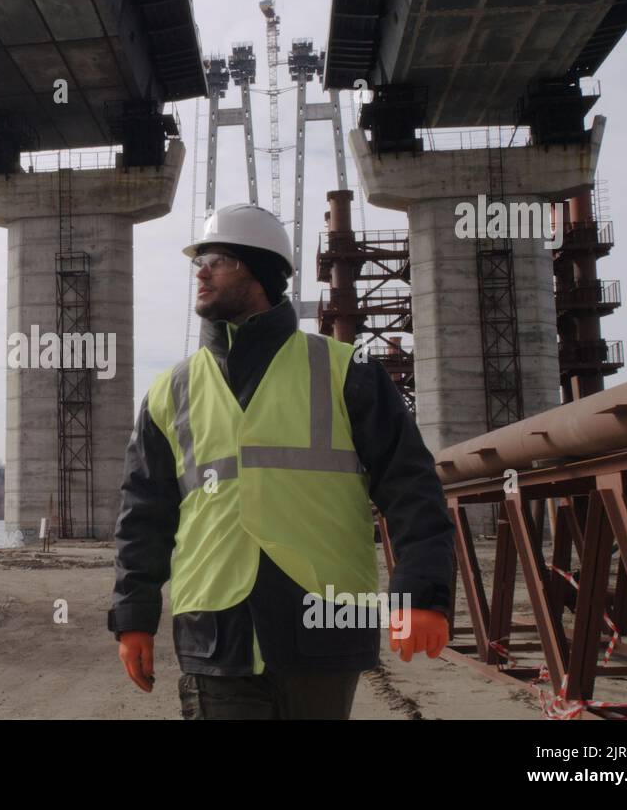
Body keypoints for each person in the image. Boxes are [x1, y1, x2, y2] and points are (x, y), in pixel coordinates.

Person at [109, 204, 454, 720]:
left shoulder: (344, 371)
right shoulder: (171, 390)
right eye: (198, 260)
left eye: (217, 259)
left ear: (262, 270)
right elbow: (144, 512)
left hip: (324, 623)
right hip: (214, 627)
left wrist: (422, 591)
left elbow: (410, 486)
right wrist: (133, 615)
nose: (200, 271)